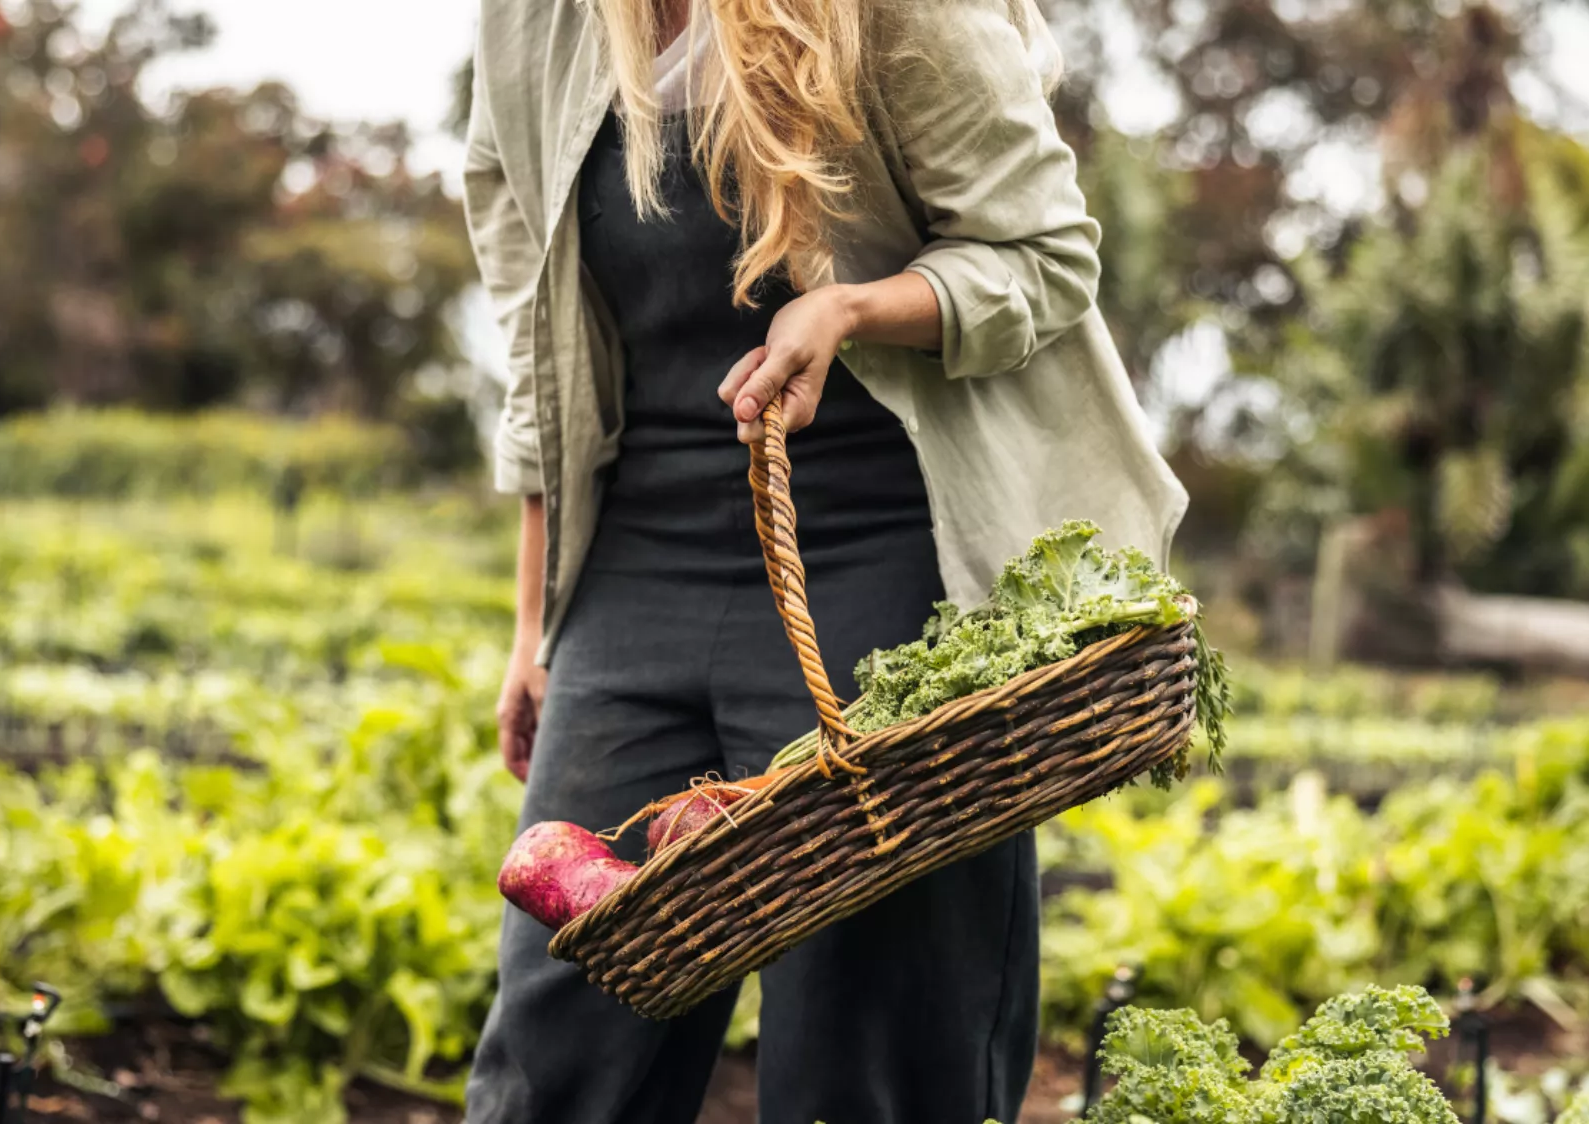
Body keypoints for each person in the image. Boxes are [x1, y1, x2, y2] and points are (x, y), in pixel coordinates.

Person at [460, 0, 1186, 1119]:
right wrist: (533, 624)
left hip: (879, 568)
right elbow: (538, 342)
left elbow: (1043, 257)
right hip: (634, 572)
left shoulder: (891, 14)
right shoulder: (534, 21)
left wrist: (852, 307)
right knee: (557, 1052)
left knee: (865, 1058)